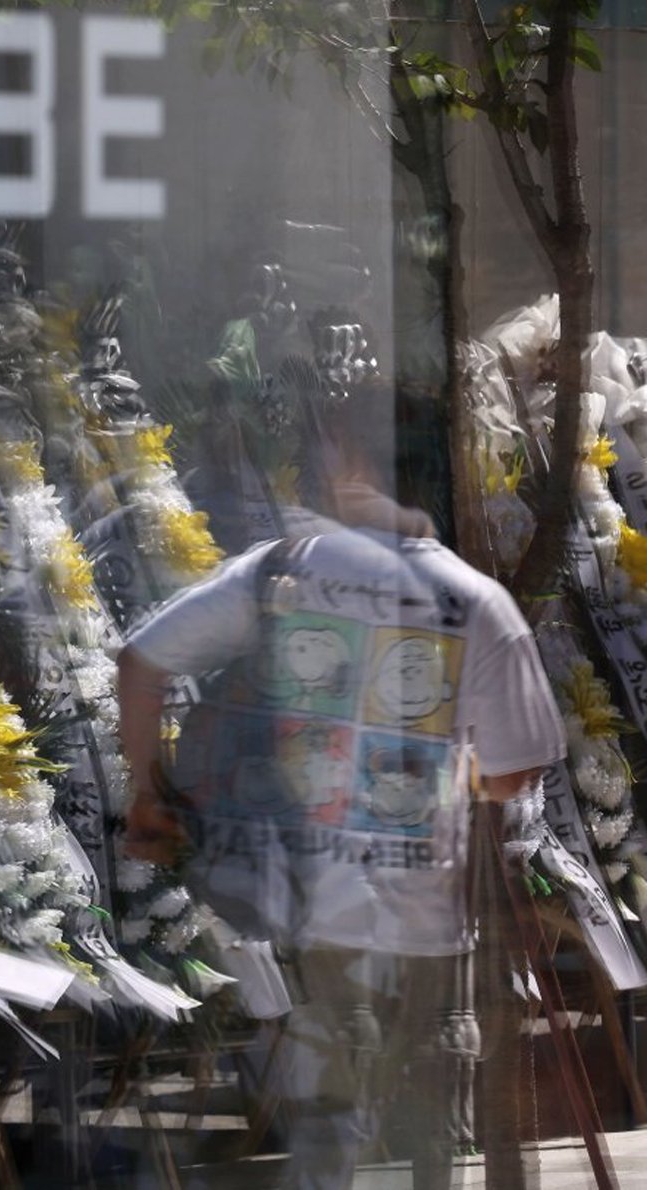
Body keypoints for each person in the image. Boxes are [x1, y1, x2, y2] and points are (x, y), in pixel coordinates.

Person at [116, 397, 565, 1190]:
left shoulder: (281, 567)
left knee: (328, 1109)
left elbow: (143, 661)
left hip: (302, 897)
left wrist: (149, 797)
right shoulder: (479, 605)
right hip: (428, 914)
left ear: (351, 467)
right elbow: (510, 776)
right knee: (435, 1112)